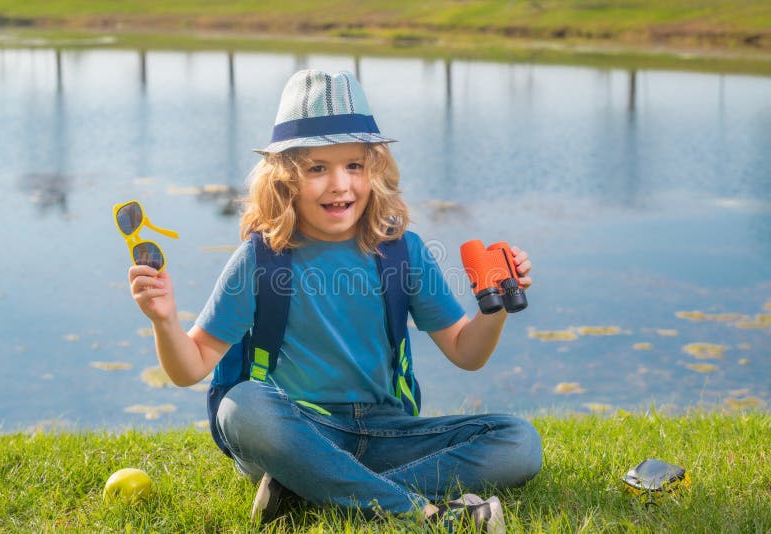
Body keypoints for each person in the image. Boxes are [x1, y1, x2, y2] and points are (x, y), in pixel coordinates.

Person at [128, 69, 542, 530]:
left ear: (374, 171)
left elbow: (467, 352)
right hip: (297, 432)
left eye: (354, 166)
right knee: (240, 406)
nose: (340, 184)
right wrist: (164, 321)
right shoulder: (261, 259)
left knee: (517, 441)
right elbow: (191, 365)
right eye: (317, 169)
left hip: (387, 431)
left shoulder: (405, 252)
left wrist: (498, 307)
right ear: (285, 178)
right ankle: (415, 511)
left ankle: (313, 491)